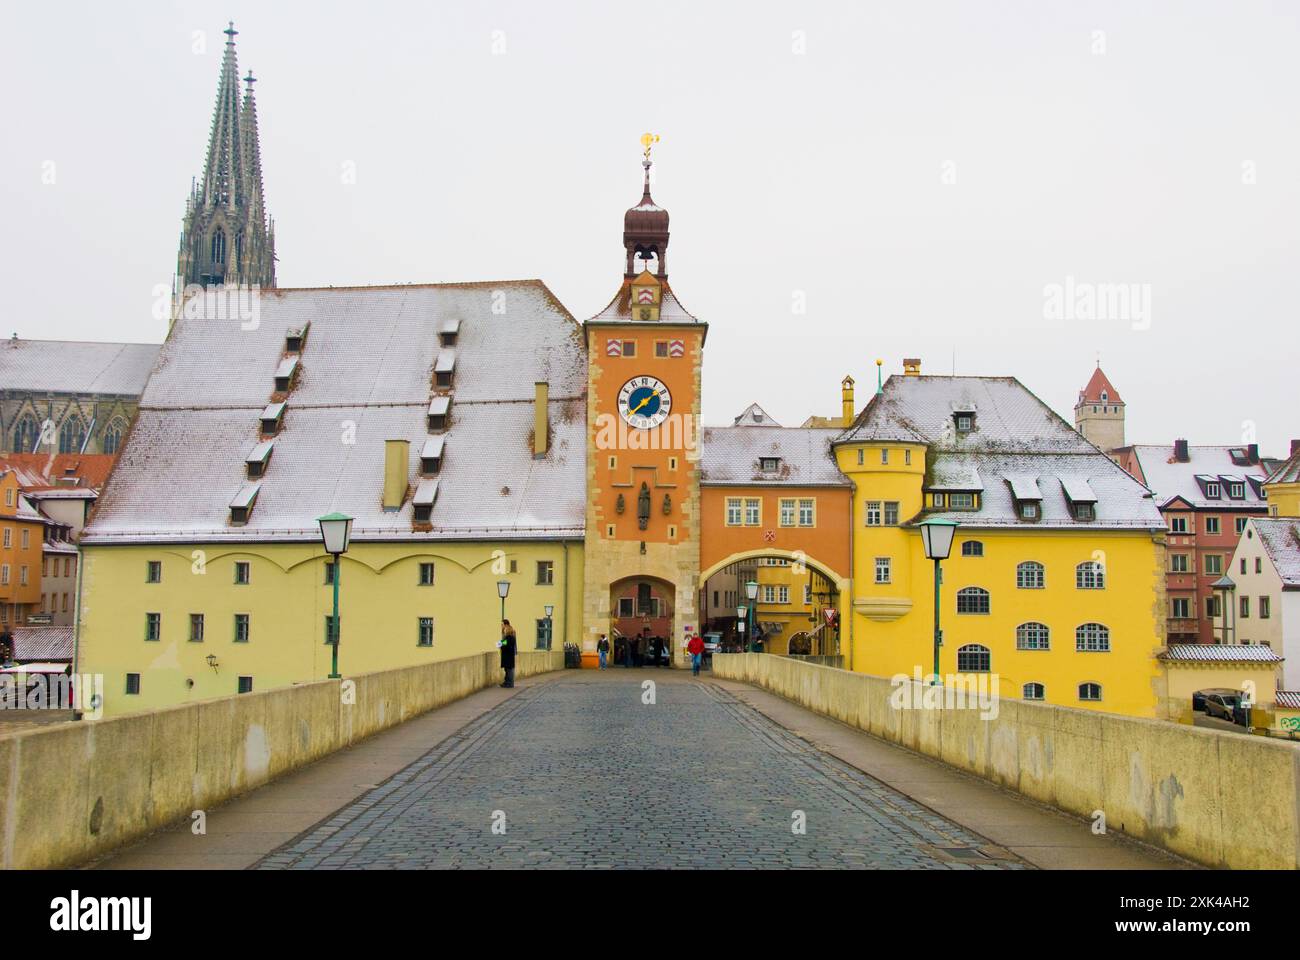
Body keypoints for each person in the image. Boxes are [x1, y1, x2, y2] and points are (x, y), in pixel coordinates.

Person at [499, 620, 517, 688]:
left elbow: (501, 644)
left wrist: (501, 645)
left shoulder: (509, 638)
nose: (501, 626)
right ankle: (507, 683)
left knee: (509, 670)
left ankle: (509, 683)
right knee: (507, 670)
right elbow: (501, 644)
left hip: (508, 657)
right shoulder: (510, 638)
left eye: (502, 625)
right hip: (508, 656)